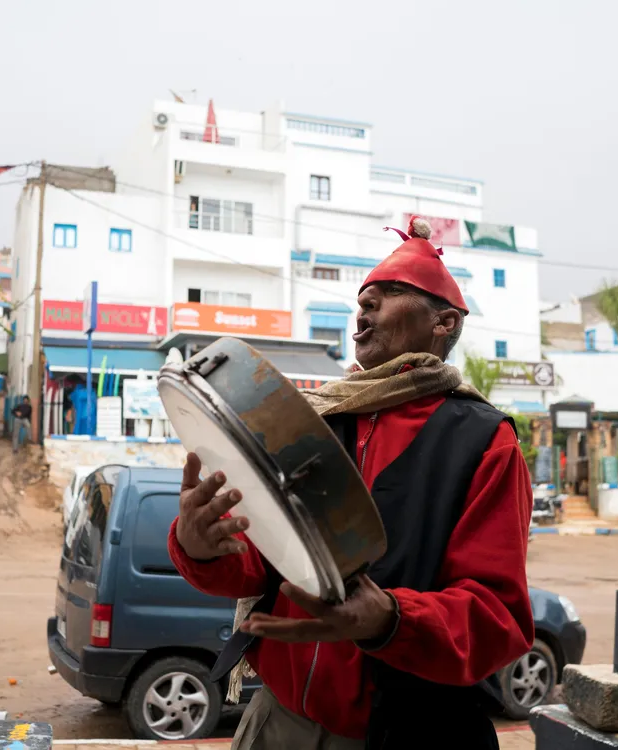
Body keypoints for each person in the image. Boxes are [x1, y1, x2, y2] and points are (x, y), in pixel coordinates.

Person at [168, 217, 534, 749]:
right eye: (362, 298)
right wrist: (198, 546)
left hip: (410, 735)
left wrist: (390, 619)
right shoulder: (309, 420)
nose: (363, 306)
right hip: (278, 723)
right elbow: (259, 565)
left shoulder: (484, 441)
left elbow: (496, 617)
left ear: (444, 322)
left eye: (388, 294)